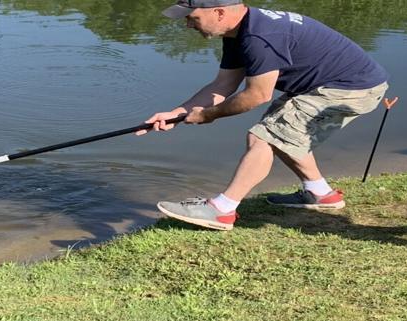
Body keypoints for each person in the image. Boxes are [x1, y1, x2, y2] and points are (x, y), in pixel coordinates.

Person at [139, 0, 389, 230]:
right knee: (281, 132)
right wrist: (176, 114)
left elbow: (257, 95)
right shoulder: (238, 32)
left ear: (219, 12)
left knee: (264, 138)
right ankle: (320, 193)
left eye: (192, 18)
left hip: (351, 88)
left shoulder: (260, 36)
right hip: (325, 86)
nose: (188, 25)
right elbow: (223, 86)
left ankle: (222, 210)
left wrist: (208, 115)